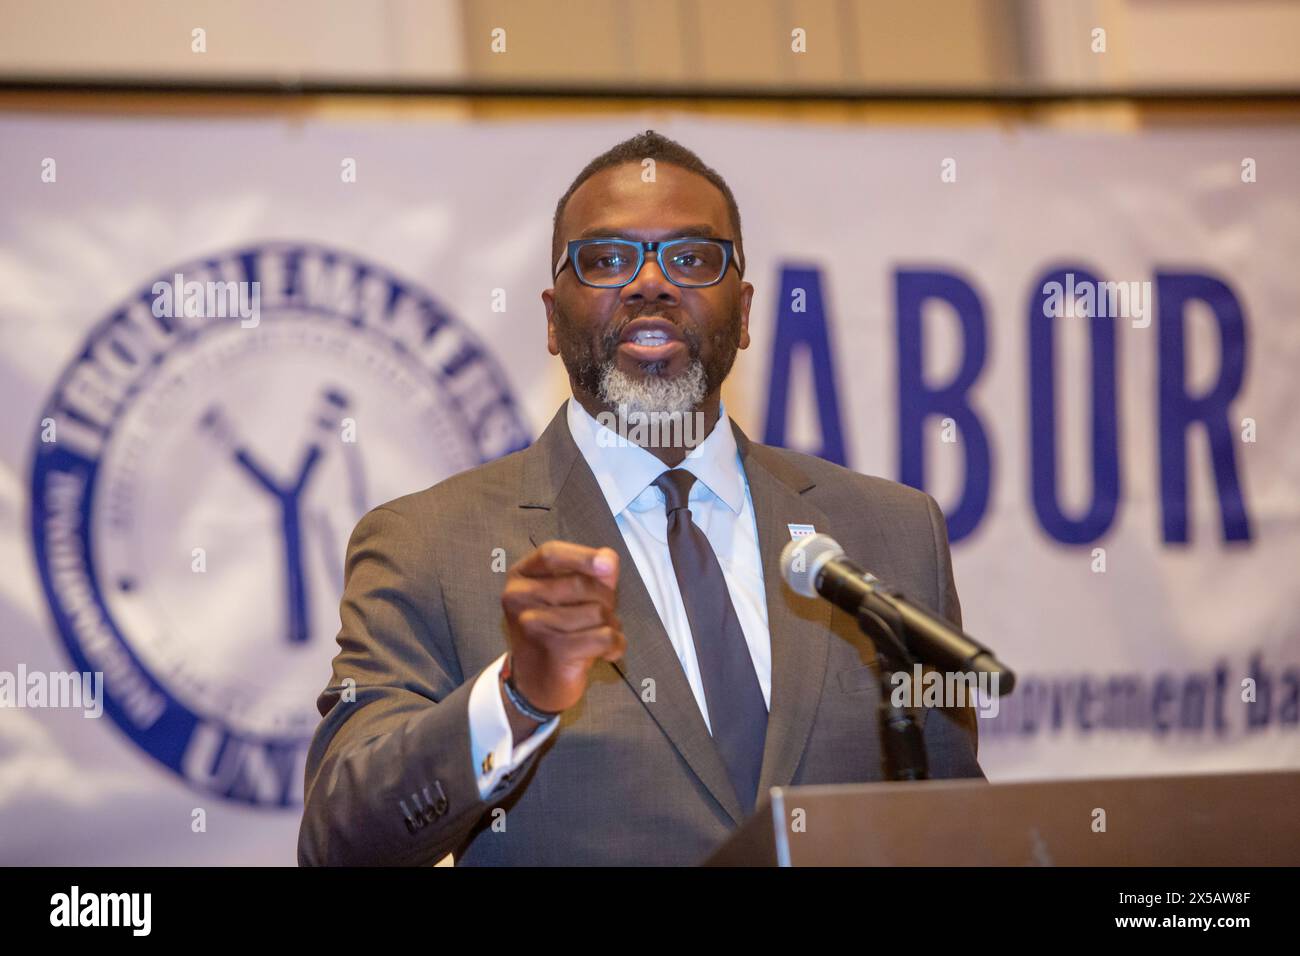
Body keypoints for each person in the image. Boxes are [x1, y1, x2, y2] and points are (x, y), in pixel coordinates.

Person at [298, 130, 982, 867]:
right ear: (552, 319)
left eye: (691, 257)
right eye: (606, 260)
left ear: (745, 312)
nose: (650, 282)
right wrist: (518, 696)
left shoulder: (890, 532)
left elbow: (955, 823)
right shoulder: (426, 543)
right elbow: (343, 839)